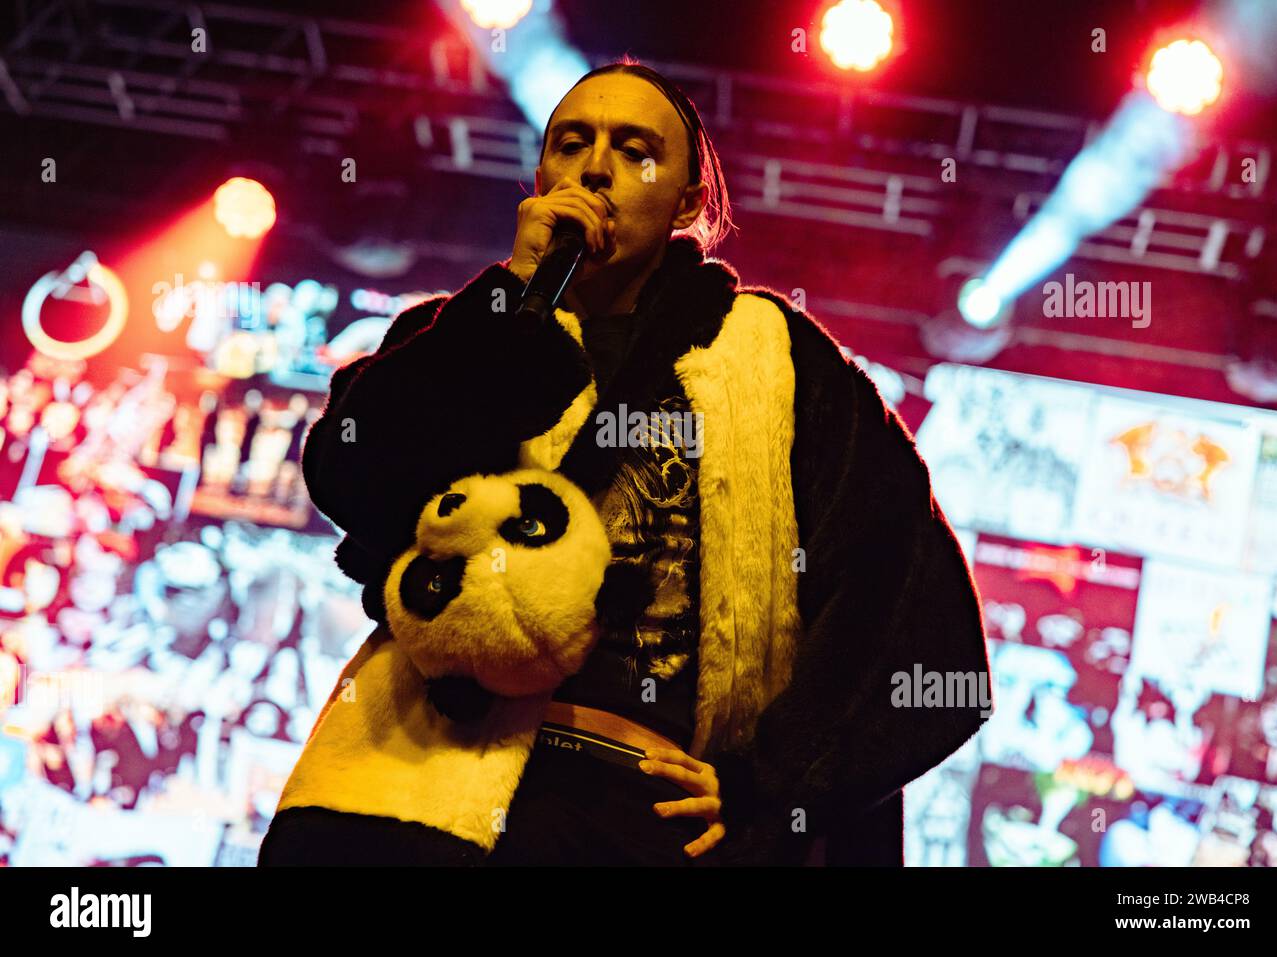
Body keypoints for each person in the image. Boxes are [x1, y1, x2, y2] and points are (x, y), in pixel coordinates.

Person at [280, 60, 991, 866]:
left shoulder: (777, 360)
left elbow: (901, 597)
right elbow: (351, 478)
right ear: (541, 175)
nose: (595, 166)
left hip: (647, 819)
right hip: (426, 797)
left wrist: (772, 781)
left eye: (635, 149)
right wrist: (514, 302)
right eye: (571, 143)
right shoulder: (454, 332)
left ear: (690, 200)